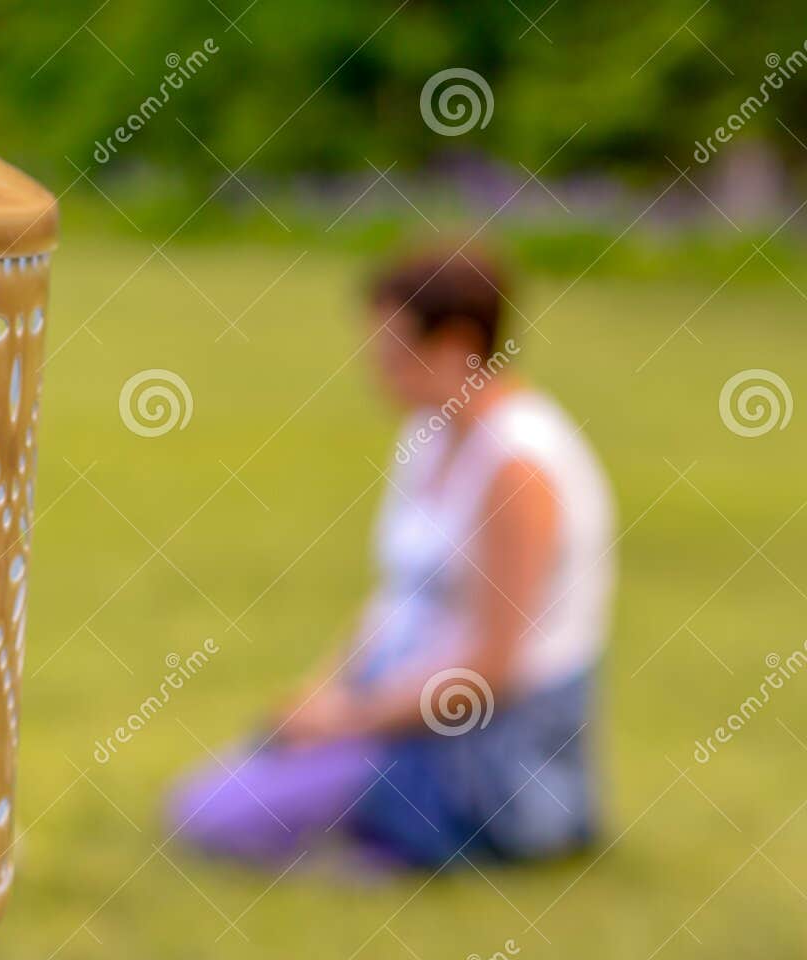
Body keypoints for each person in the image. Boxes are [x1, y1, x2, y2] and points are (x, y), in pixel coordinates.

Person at [168, 249, 615, 869]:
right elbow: (398, 597)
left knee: (215, 817)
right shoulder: (428, 434)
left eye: (392, 351)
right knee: (212, 795)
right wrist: (323, 689)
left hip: (483, 742)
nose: (374, 369)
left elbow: (492, 672)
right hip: (398, 701)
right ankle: (358, 833)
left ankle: (390, 840)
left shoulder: (519, 468)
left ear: (457, 345)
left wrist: (350, 718)